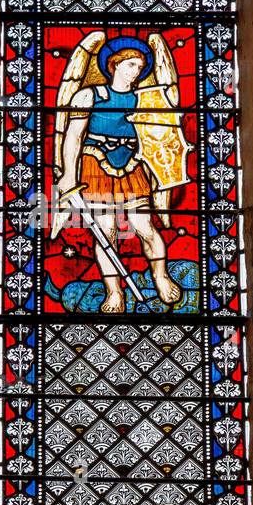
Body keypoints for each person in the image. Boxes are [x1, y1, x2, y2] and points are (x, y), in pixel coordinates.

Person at [55, 41, 182, 314]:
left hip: (132, 165)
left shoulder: (146, 99)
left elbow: (161, 138)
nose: (136, 71)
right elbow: (73, 137)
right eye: (130, 65)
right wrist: (67, 173)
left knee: (144, 225)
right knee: (106, 231)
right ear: (114, 64)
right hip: (95, 165)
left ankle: (160, 274)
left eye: (140, 66)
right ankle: (114, 292)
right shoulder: (89, 95)